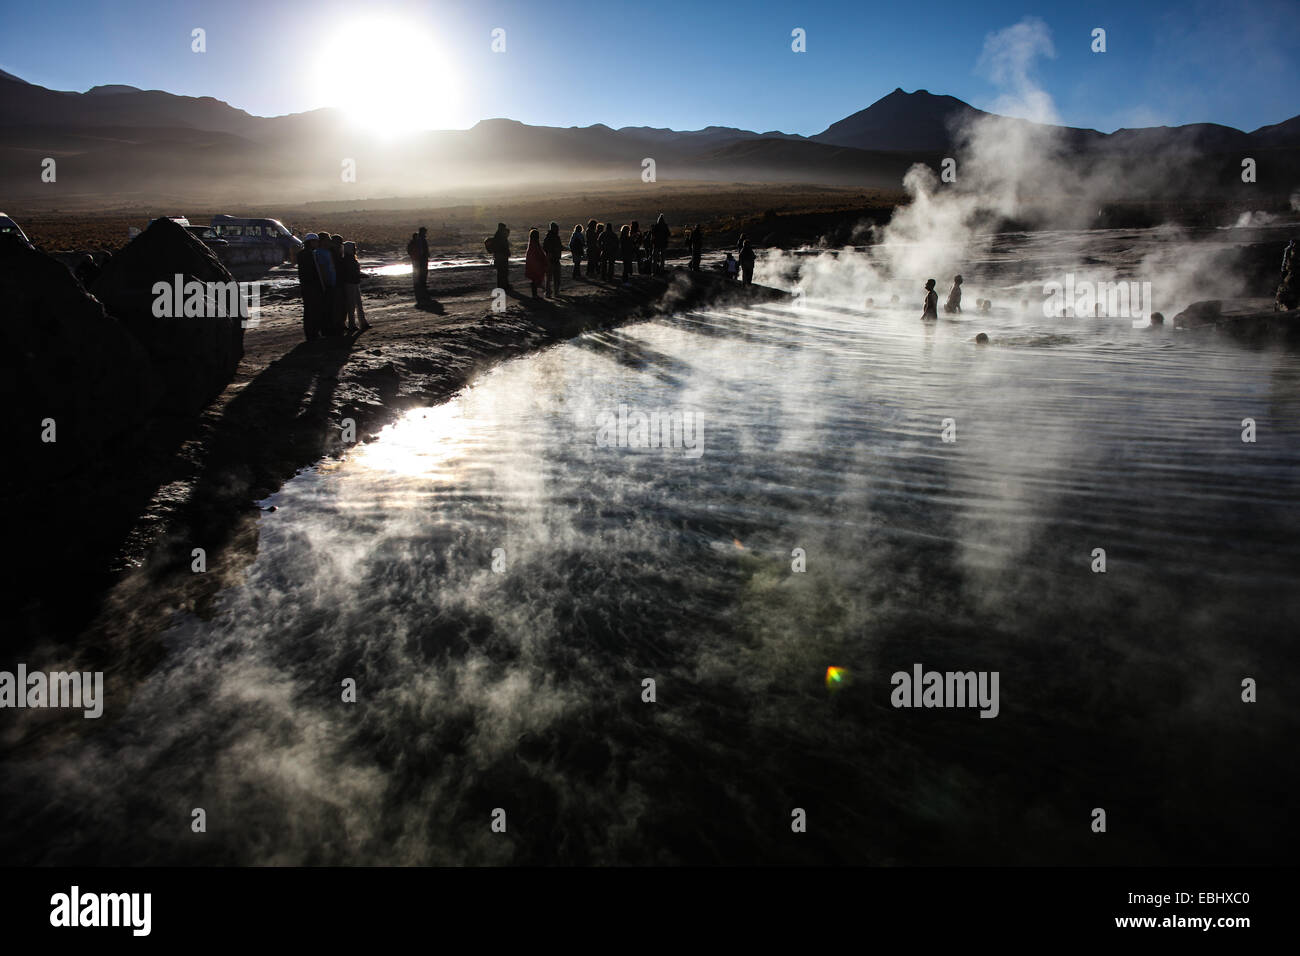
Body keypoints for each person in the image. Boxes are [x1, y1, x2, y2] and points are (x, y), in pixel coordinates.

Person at [297, 233, 324, 340]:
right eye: (316, 241)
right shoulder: (310, 255)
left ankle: (310, 333)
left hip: (306, 286)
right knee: (313, 310)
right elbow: (313, 272)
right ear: (311, 242)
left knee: (309, 310)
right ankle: (313, 333)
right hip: (312, 286)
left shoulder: (302, 254)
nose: (317, 243)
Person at [342, 241, 370, 332]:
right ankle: (353, 324)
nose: (355, 250)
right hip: (350, 283)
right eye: (354, 248)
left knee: (357, 304)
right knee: (352, 305)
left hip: (354, 283)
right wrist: (361, 275)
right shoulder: (348, 260)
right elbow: (352, 273)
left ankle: (362, 323)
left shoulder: (350, 259)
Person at [486, 222, 511, 290]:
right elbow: (504, 246)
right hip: (502, 256)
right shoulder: (501, 236)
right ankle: (504, 286)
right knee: (504, 272)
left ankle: (501, 285)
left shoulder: (497, 235)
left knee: (500, 272)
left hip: (498, 256)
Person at [524, 227, 547, 298]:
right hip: (536, 265)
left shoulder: (531, 244)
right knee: (536, 279)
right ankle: (536, 294)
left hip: (533, 264)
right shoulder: (535, 245)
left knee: (535, 279)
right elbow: (539, 254)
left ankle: (536, 293)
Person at [543, 222, 564, 296]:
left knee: (549, 278)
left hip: (552, 259)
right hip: (552, 259)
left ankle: (549, 292)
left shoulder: (548, 237)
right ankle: (555, 292)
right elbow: (546, 248)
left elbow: (545, 247)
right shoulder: (554, 237)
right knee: (555, 278)